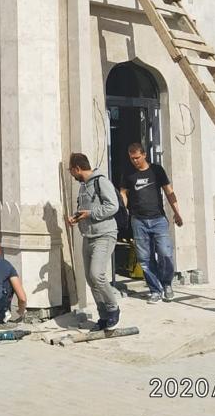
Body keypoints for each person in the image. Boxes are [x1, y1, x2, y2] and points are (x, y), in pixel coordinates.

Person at [119, 142, 183, 303]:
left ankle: (167, 284)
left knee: (165, 253)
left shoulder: (156, 170)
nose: (134, 161)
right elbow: (123, 192)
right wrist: (123, 209)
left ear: (144, 155)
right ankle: (155, 290)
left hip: (158, 219)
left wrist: (177, 213)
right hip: (138, 221)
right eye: (132, 158)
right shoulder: (128, 173)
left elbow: (169, 192)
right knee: (145, 259)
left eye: (137, 158)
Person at [66, 152, 121, 331]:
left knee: (97, 275)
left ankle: (113, 309)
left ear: (77, 168)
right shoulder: (83, 186)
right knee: (91, 279)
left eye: (71, 171)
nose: (71, 175)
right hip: (88, 236)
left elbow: (113, 206)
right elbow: (85, 209)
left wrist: (91, 214)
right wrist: (76, 218)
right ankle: (104, 316)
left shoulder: (101, 181)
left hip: (104, 234)